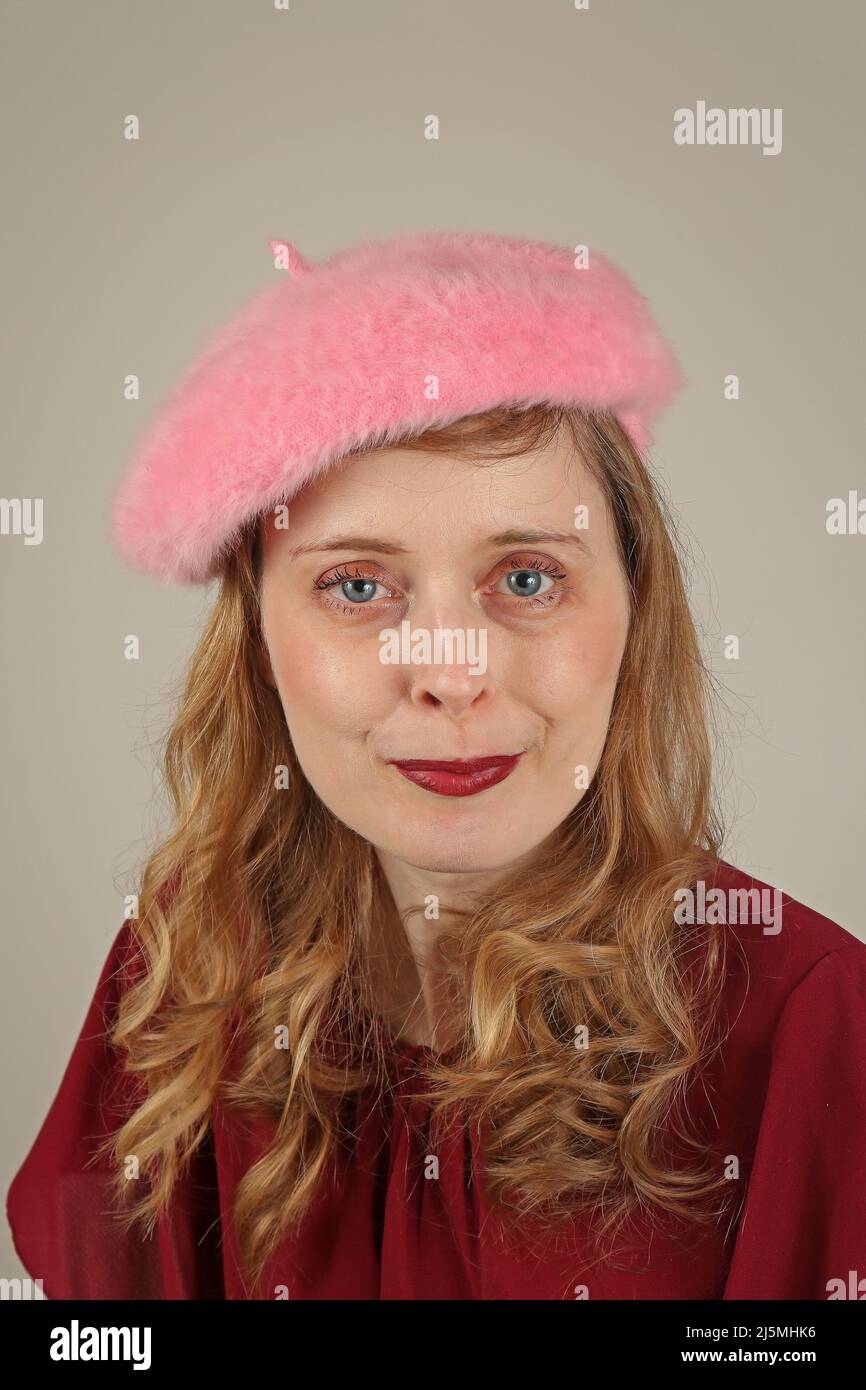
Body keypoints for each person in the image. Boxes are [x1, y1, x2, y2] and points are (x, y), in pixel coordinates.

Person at [7, 230, 866, 1300]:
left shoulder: (810, 1024)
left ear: (632, 613)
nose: (451, 675)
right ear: (260, 641)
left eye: (525, 578)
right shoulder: (180, 975)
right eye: (358, 587)